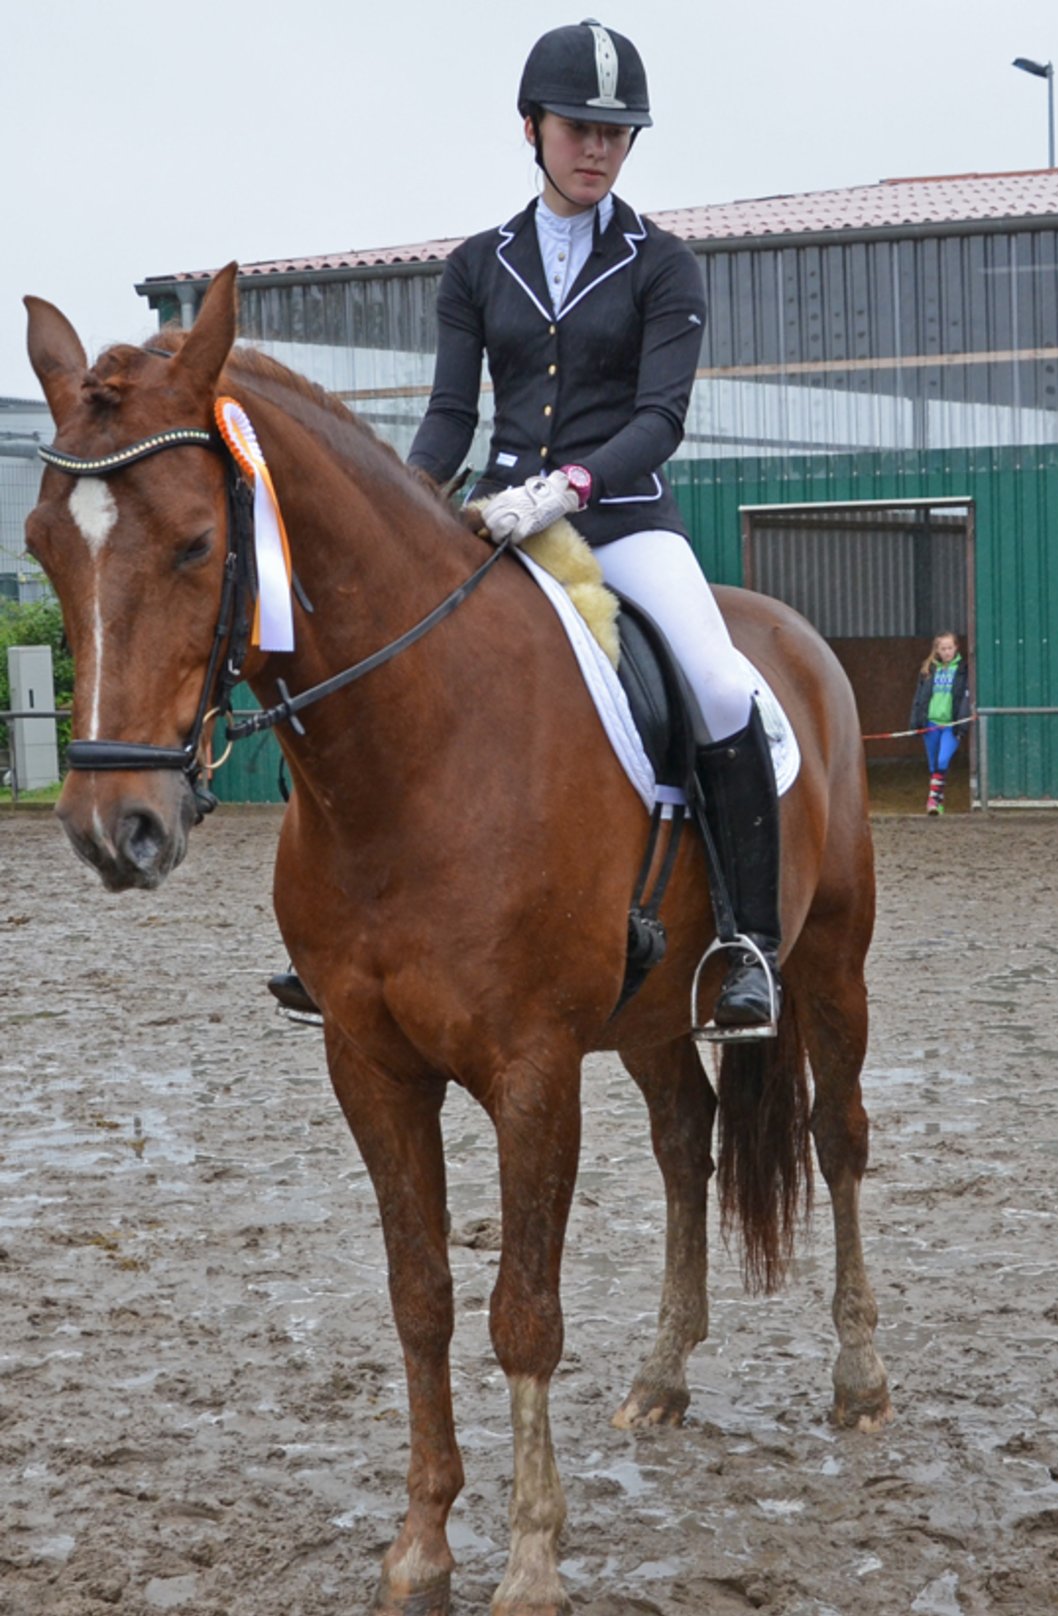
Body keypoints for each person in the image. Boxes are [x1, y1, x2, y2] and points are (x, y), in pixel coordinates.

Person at [273, 22, 774, 1032]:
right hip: (495, 517)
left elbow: (659, 420)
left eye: (615, 133)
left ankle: (745, 941)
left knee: (721, 685)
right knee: (381, 670)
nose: (596, 149)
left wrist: (573, 486)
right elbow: (453, 414)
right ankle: (335, 926)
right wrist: (402, 510)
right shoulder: (476, 267)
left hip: (623, 519)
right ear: (532, 127)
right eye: (578, 128)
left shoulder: (662, 266)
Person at [909, 633, 972, 815]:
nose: (946, 652)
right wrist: (916, 722)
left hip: (951, 724)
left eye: (950, 648)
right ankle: (939, 798)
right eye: (943, 649)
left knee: (943, 760)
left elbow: (965, 699)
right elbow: (919, 698)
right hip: (931, 723)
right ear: (937, 650)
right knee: (934, 766)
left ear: (956, 648)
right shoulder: (929, 670)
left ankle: (932, 801)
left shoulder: (963, 670)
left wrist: (962, 726)